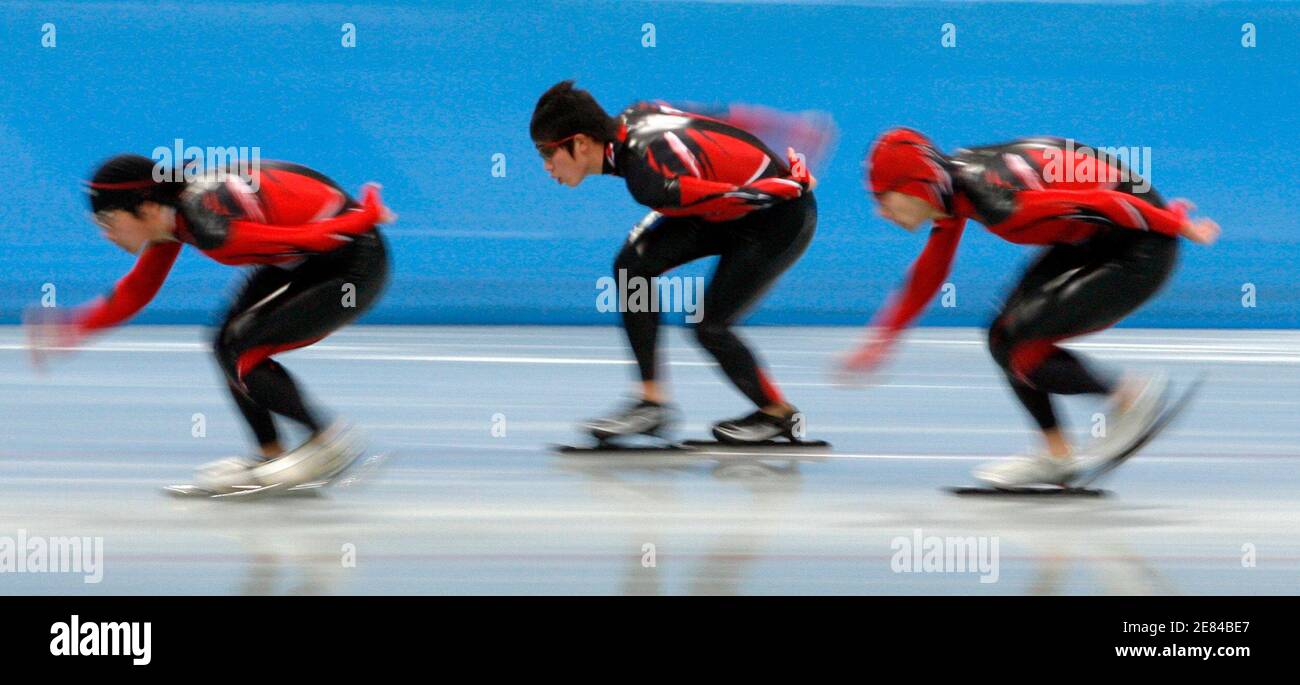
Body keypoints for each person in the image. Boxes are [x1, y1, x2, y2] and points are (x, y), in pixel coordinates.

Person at [845, 128, 1220, 486]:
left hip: (1140, 248)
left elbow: (1104, 201)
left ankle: (1131, 396)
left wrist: (1174, 224)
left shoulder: (995, 199)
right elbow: (931, 270)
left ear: (914, 187)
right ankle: (1057, 455)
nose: (880, 211)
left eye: (881, 197)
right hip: (1095, 239)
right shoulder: (953, 185)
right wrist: (883, 340)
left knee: (1024, 347)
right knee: (1001, 338)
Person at [27, 154, 393, 492]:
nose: (106, 235)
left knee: (245, 349)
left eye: (108, 221)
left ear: (147, 208)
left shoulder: (204, 217)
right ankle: (272, 456)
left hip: (352, 265)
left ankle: (328, 442)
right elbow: (137, 290)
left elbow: (307, 236)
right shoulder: (175, 218)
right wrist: (71, 328)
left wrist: (362, 216)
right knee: (225, 344)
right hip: (311, 259)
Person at [530, 80, 830, 444]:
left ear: (579, 142)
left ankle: (778, 413)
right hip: (730, 208)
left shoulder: (646, 176)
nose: (546, 167)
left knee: (708, 324)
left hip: (779, 218)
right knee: (632, 267)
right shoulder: (637, 114)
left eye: (546, 153)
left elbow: (727, 196)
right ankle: (651, 405)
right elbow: (718, 116)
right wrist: (785, 125)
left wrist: (788, 186)